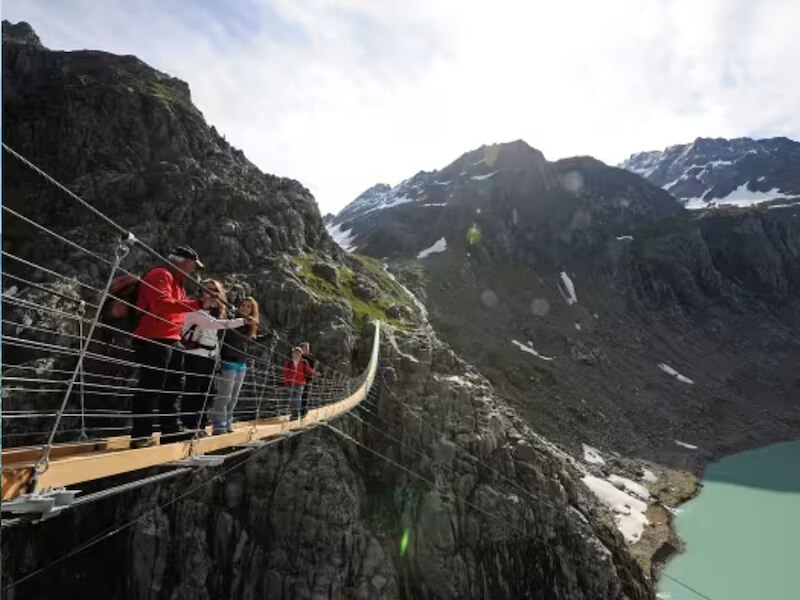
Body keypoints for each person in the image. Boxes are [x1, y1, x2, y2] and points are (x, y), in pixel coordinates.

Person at [129, 246, 202, 448]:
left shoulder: (177, 283)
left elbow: (179, 306)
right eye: (193, 266)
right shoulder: (160, 274)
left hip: (171, 338)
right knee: (151, 385)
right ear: (184, 262)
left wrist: (199, 304)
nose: (193, 270)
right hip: (153, 337)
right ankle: (141, 435)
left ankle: (171, 430)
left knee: (174, 385)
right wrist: (198, 304)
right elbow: (161, 304)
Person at [180, 280, 246, 436]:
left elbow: (214, 337)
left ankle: (199, 425)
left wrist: (216, 357)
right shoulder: (195, 309)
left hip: (208, 356)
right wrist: (243, 320)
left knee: (208, 391)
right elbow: (215, 325)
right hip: (194, 355)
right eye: (208, 290)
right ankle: (190, 426)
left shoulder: (209, 312)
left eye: (214, 291)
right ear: (200, 292)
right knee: (194, 391)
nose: (211, 294)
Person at [210, 296, 259, 434]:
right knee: (225, 395)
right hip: (228, 361)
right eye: (243, 305)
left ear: (252, 310)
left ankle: (227, 422)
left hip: (241, 364)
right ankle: (218, 423)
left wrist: (268, 337)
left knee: (234, 397)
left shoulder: (250, 326)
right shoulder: (231, 320)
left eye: (249, 306)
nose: (245, 308)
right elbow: (222, 335)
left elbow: (249, 342)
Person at [283, 346, 317, 420]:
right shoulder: (289, 362)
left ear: (300, 354)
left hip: (300, 383)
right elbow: (285, 373)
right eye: (295, 352)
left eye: (298, 353)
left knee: (297, 398)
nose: (296, 354)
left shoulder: (304, 362)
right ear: (293, 353)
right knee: (292, 398)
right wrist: (286, 382)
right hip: (291, 383)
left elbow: (308, 370)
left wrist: (314, 373)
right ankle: (294, 413)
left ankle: (296, 413)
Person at [300, 342, 316, 416]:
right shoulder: (298, 356)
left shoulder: (310, 358)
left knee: (305, 395)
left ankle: (303, 411)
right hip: (298, 379)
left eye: (308, 348)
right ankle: (297, 411)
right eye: (305, 348)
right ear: (302, 348)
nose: (307, 349)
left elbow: (312, 369)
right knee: (297, 395)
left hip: (307, 379)